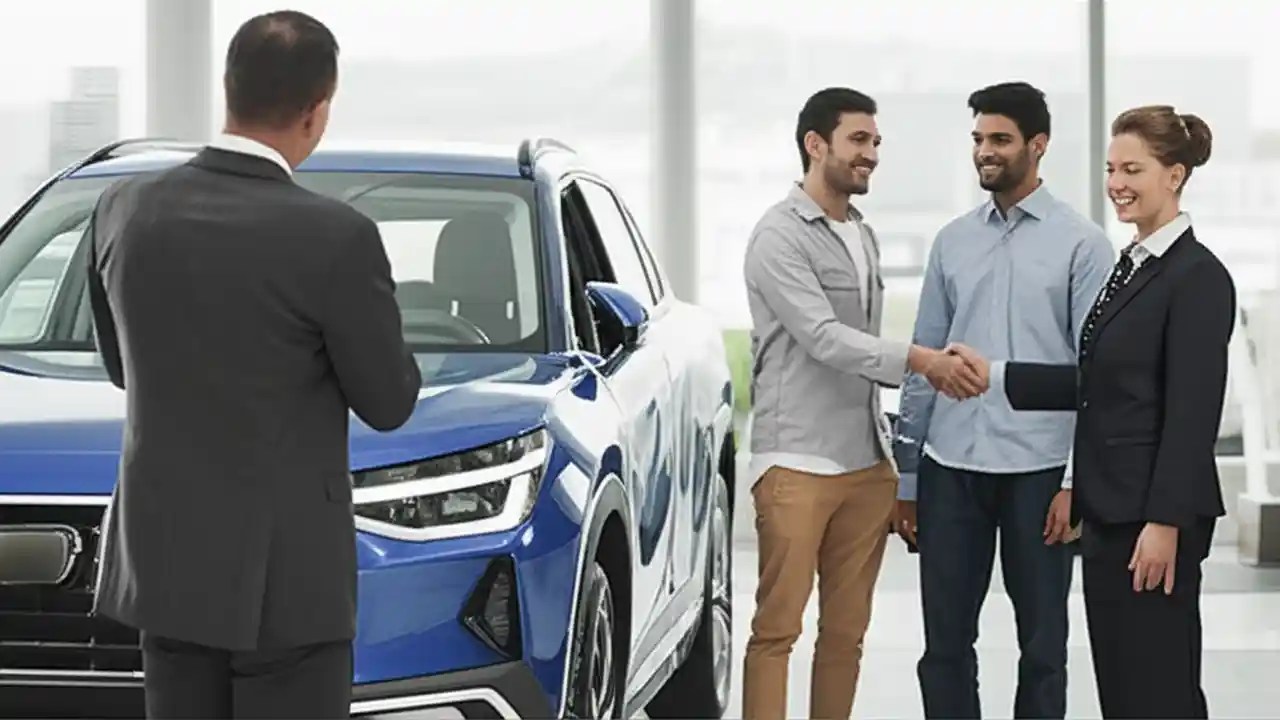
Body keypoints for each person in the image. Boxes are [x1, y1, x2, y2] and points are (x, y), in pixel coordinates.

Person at [87, 11, 421, 719]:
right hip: (288, 589)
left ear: (228, 88)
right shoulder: (338, 237)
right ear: (317, 109)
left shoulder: (122, 209)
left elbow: (121, 367)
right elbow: (389, 402)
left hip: (165, 573)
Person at [951, 105, 1233, 719]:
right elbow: (1101, 384)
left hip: (1150, 520)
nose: (1117, 184)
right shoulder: (1132, 265)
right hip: (1110, 513)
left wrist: (1164, 522)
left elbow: (1192, 414)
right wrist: (996, 374)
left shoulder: (1197, 276)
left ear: (1175, 176)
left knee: (1159, 690)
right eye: (1110, 169)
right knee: (1124, 690)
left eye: (1133, 170)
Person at [741, 86, 986, 720]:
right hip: (796, 461)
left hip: (865, 464)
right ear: (814, 144)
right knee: (776, 632)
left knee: (846, 637)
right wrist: (921, 360)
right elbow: (823, 338)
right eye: (858, 139)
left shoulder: (862, 233)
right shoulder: (777, 235)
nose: (871, 153)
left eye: (875, 142)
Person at [891, 82, 1114, 719]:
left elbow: (1095, 378)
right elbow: (924, 359)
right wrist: (909, 477)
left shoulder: (1083, 245)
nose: (985, 151)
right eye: (978, 139)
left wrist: (1075, 483)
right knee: (943, 647)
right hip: (951, 468)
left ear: (1038, 145)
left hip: (1040, 474)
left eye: (1000, 139)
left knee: (1043, 648)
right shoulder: (952, 241)